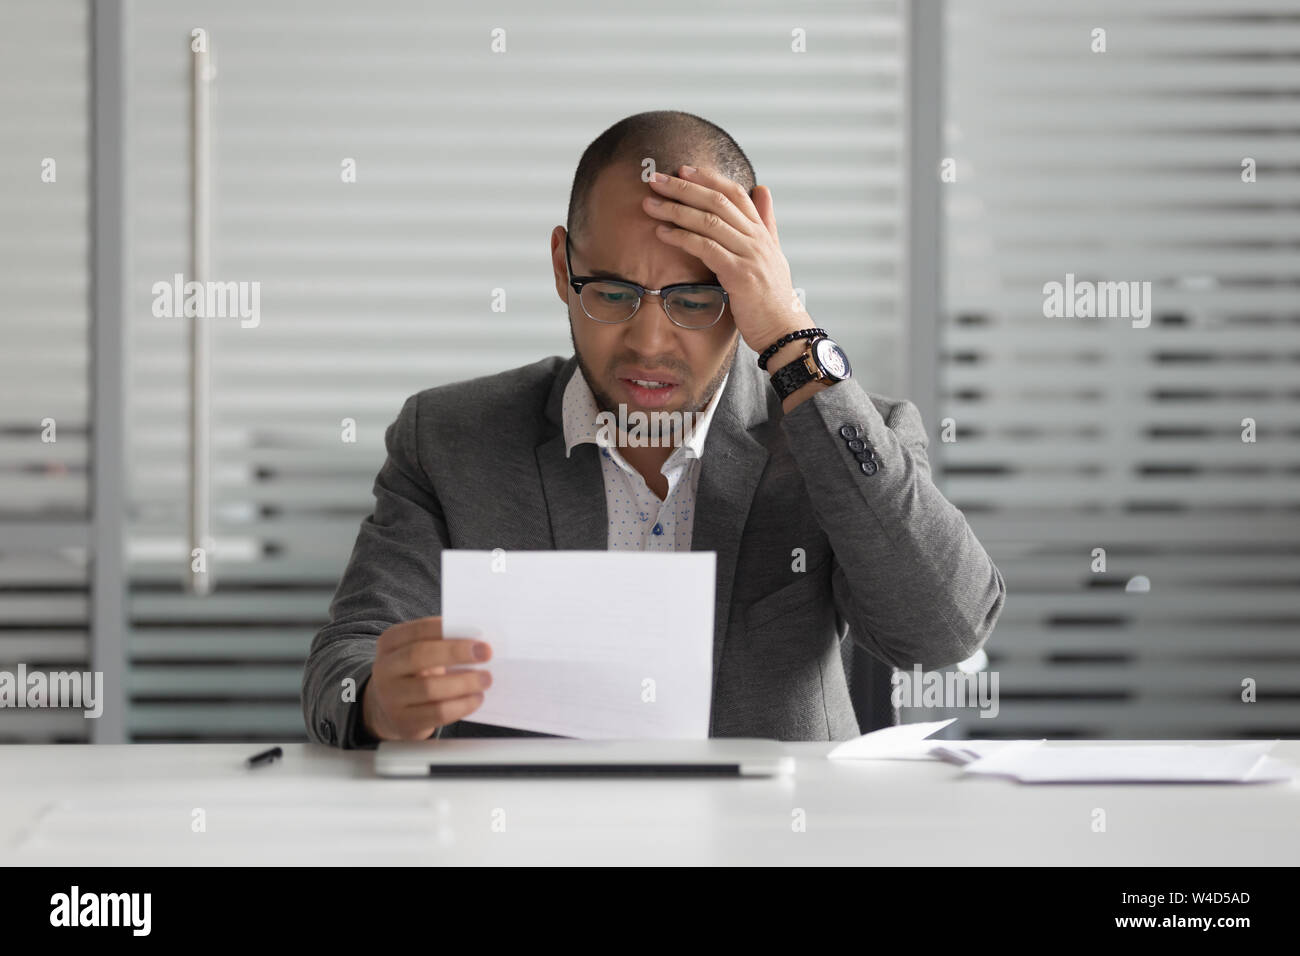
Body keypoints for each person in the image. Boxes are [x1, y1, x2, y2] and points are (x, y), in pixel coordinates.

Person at [301, 109, 1006, 748]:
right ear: (561, 267)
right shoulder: (451, 438)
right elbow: (347, 659)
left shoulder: (837, 431)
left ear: (745, 286)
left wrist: (792, 336)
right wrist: (376, 702)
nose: (648, 341)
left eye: (695, 298)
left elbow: (942, 632)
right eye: (611, 293)